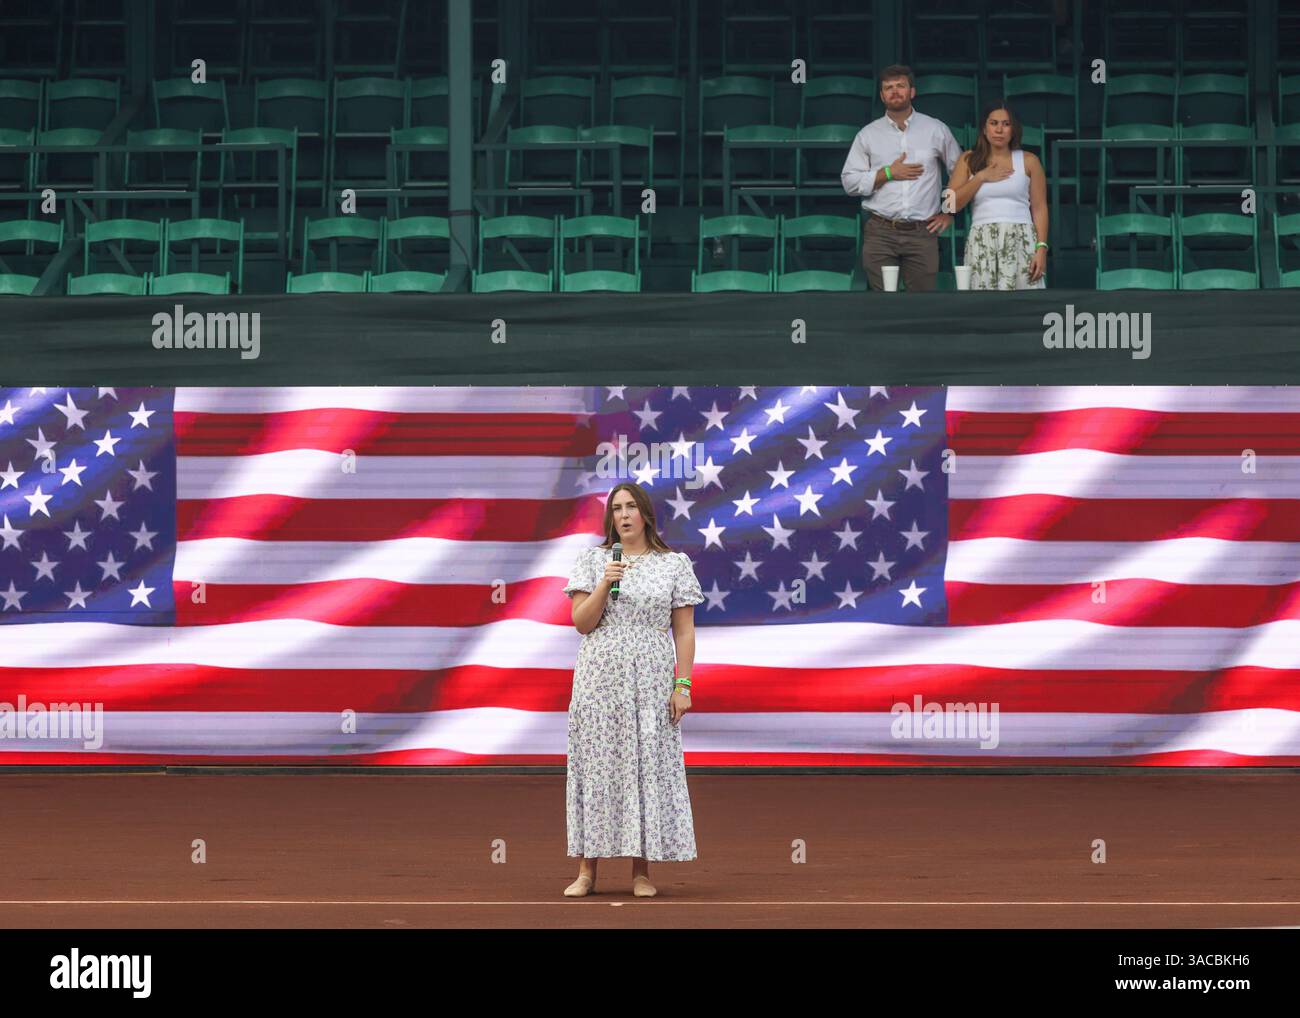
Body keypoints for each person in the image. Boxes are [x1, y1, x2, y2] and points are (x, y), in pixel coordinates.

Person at [561, 481, 704, 898]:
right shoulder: (594, 560)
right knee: (598, 766)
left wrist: (683, 684)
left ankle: (642, 871)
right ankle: (587, 871)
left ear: (645, 515)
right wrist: (606, 582)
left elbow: (685, 630)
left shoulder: (674, 564)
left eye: (630, 508)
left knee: (646, 766)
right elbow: (582, 623)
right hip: (600, 678)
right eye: (616, 509)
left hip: (651, 677)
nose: (623, 516)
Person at [840, 64, 962, 292]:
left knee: (922, 305)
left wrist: (949, 211)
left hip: (923, 232)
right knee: (883, 304)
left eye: (900, 86)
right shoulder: (867, 134)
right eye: (888, 87)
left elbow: (960, 171)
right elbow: (849, 182)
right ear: (882, 95)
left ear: (912, 92)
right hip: (880, 231)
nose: (895, 91)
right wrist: (887, 173)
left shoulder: (936, 129)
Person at [946, 100, 1049, 289]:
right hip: (982, 241)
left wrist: (1041, 248)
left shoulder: (1029, 161)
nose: (999, 130)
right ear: (984, 129)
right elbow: (949, 205)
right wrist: (980, 177)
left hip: (1022, 240)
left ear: (1013, 130)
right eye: (993, 123)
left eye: (1006, 124)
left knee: (1024, 307)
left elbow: (1040, 207)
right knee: (984, 309)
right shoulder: (968, 160)